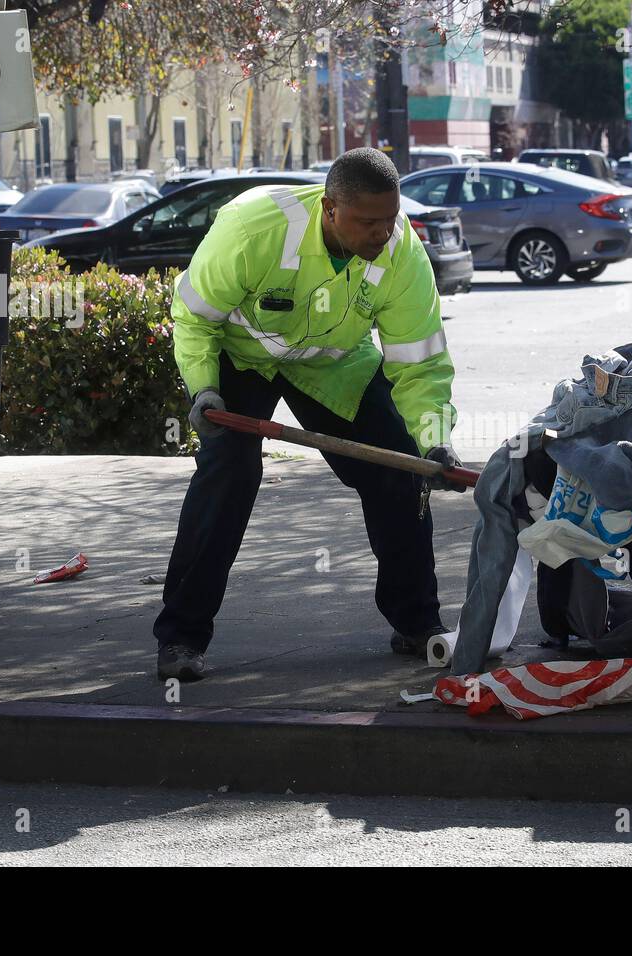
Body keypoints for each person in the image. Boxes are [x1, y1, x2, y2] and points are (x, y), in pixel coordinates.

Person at [153, 147, 464, 682]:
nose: (382, 234)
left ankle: (417, 623)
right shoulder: (254, 228)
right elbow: (194, 318)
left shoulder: (403, 252)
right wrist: (204, 389)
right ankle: (181, 637)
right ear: (329, 209)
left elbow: (420, 365)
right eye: (367, 222)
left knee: (400, 469)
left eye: (389, 220)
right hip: (240, 358)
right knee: (229, 473)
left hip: (332, 366)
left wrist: (433, 441)